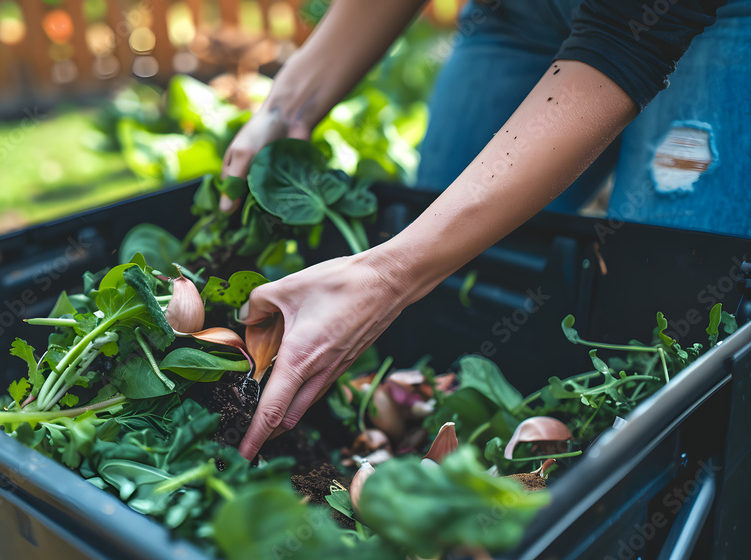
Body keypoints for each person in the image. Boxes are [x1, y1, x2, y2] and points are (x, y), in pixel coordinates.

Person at [220, 0, 748, 461]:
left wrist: (388, 273)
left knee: (671, 323)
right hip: (514, 12)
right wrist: (286, 108)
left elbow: (630, 35)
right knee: (445, 280)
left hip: (697, 15)